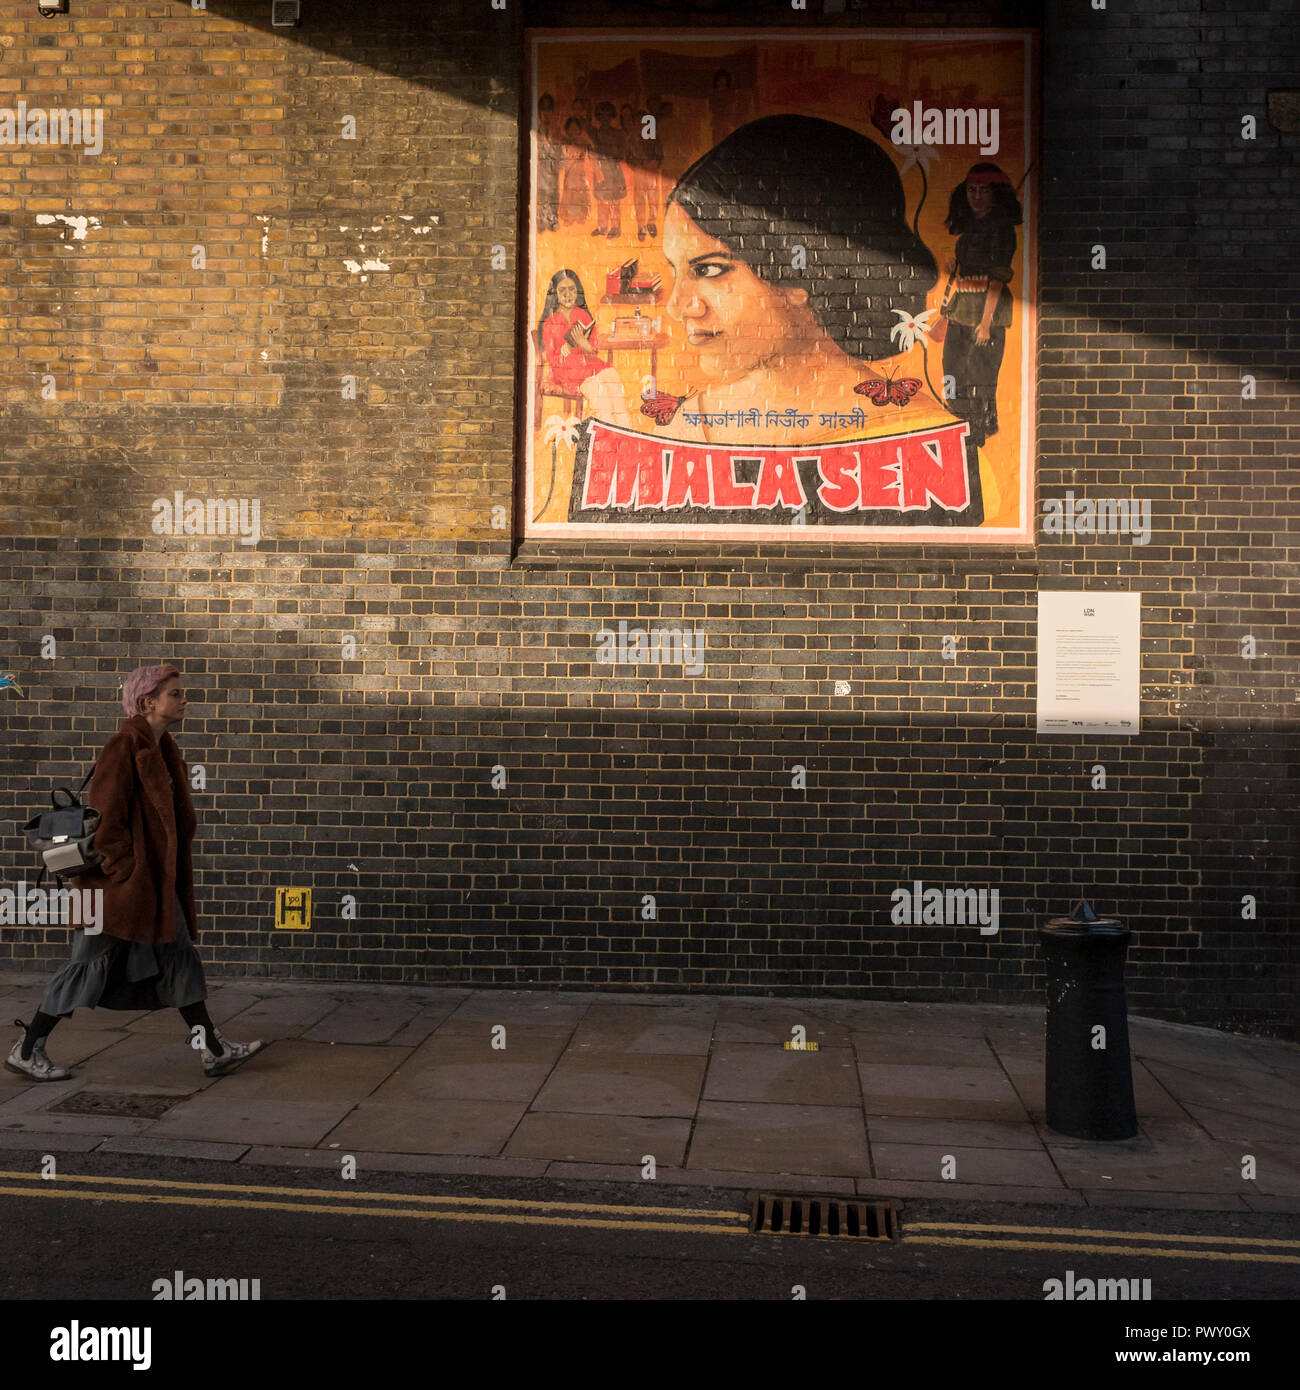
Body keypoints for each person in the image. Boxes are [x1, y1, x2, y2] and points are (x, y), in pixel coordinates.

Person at [6, 666, 265, 1082]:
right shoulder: (123, 747)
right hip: (117, 888)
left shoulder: (164, 749)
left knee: (177, 956)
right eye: (175, 694)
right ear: (148, 702)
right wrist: (125, 870)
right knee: (85, 965)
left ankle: (213, 1048)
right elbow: (107, 820)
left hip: (153, 887)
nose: (184, 700)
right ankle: (28, 1047)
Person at [660, 114, 957, 447]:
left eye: (710, 270)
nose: (677, 307)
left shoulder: (929, 436)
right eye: (676, 269)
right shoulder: (682, 432)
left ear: (801, 273)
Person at [940, 162, 1021, 447]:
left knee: (979, 376)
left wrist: (985, 324)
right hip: (962, 308)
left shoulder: (1002, 231)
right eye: (972, 190)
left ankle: (975, 434)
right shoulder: (972, 228)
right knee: (951, 371)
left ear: (994, 193)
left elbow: (997, 280)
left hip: (988, 313)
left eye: (983, 190)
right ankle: (961, 426)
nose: (976, 196)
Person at [537, 269, 632, 426]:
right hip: (566, 372)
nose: (568, 294)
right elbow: (553, 361)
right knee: (598, 391)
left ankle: (625, 432)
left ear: (577, 292)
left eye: (572, 289)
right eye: (562, 290)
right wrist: (562, 352)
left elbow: (593, 350)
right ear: (555, 294)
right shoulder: (550, 322)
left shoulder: (582, 315)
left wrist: (582, 342)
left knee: (612, 377)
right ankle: (608, 435)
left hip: (587, 364)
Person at [588, 100, 627, 238]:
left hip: (613, 169)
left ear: (611, 117)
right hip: (600, 169)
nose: (605, 119)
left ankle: (616, 228)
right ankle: (602, 227)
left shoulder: (617, 133)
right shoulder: (595, 133)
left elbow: (622, 152)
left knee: (614, 200)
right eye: (602, 115)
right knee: (601, 199)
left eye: (607, 115)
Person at [626, 104, 663, 241]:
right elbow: (628, 157)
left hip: (651, 171)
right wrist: (636, 166)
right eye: (638, 121)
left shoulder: (654, 137)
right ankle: (641, 227)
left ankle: (651, 223)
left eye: (643, 121)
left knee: (653, 199)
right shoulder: (632, 138)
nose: (641, 124)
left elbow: (660, 154)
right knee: (639, 201)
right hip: (639, 172)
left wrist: (655, 164)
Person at [557, 116, 593, 226]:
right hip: (569, 178)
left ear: (579, 131)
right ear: (567, 131)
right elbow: (561, 163)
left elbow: (593, 154)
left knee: (581, 197)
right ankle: (569, 218)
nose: (573, 131)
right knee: (570, 197)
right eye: (571, 129)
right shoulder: (564, 146)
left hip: (581, 177)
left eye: (575, 129)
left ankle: (581, 216)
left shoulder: (584, 145)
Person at [536, 93, 562, 232]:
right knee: (541, 194)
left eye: (549, 109)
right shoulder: (536, 131)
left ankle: (552, 220)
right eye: (543, 109)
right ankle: (541, 220)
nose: (546, 113)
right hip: (540, 170)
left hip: (552, 171)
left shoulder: (557, 132)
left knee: (552, 194)